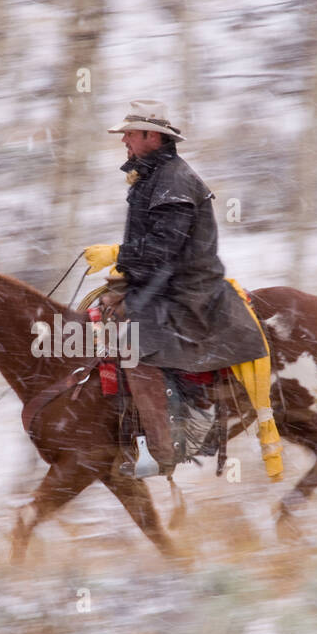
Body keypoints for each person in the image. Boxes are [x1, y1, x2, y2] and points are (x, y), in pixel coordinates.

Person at [85, 99, 268, 478]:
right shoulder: (154, 175)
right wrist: (122, 268)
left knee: (134, 340)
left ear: (153, 137)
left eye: (130, 134)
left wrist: (119, 254)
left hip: (187, 288)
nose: (124, 142)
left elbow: (163, 252)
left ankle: (167, 444)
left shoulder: (173, 181)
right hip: (163, 280)